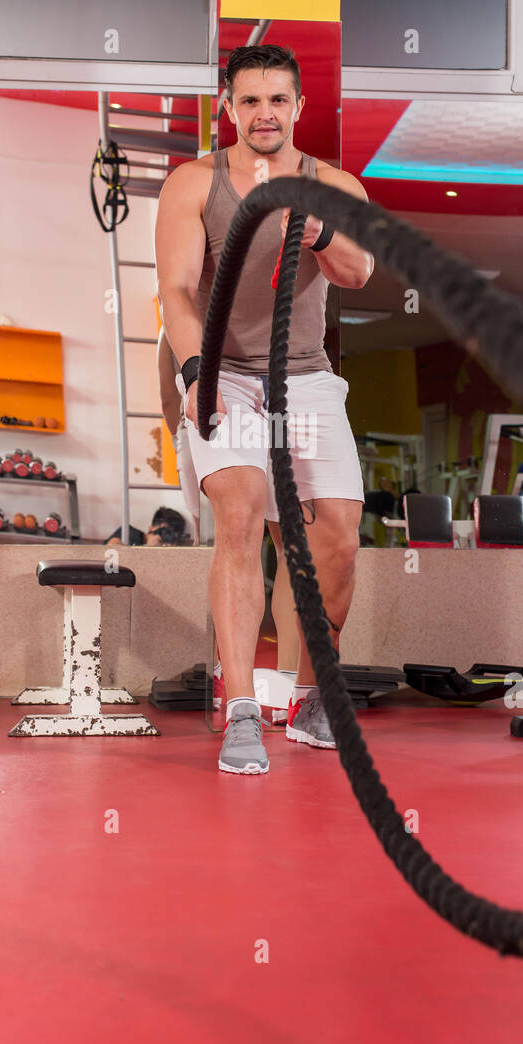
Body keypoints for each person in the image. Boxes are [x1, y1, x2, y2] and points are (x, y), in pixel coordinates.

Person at [156, 43, 372, 775]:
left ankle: (311, 700)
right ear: (227, 106)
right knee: (242, 514)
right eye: (248, 100)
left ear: (298, 107)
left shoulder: (334, 183)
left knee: (336, 538)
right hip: (222, 370)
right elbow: (180, 291)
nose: (263, 113)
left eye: (277, 99)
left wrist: (321, 234)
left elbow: (360, 271)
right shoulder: (193, 182)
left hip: (304, 375)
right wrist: (195, 374)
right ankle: (242, 709)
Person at [158, 323, 302, 714]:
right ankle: (229, 672)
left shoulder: (287, 307)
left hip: (280, 406)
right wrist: (180, 437)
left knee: (291, 539)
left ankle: (289, 679)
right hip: (217, 404)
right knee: (238, 531)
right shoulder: (189, 311)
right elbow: (168, 382)